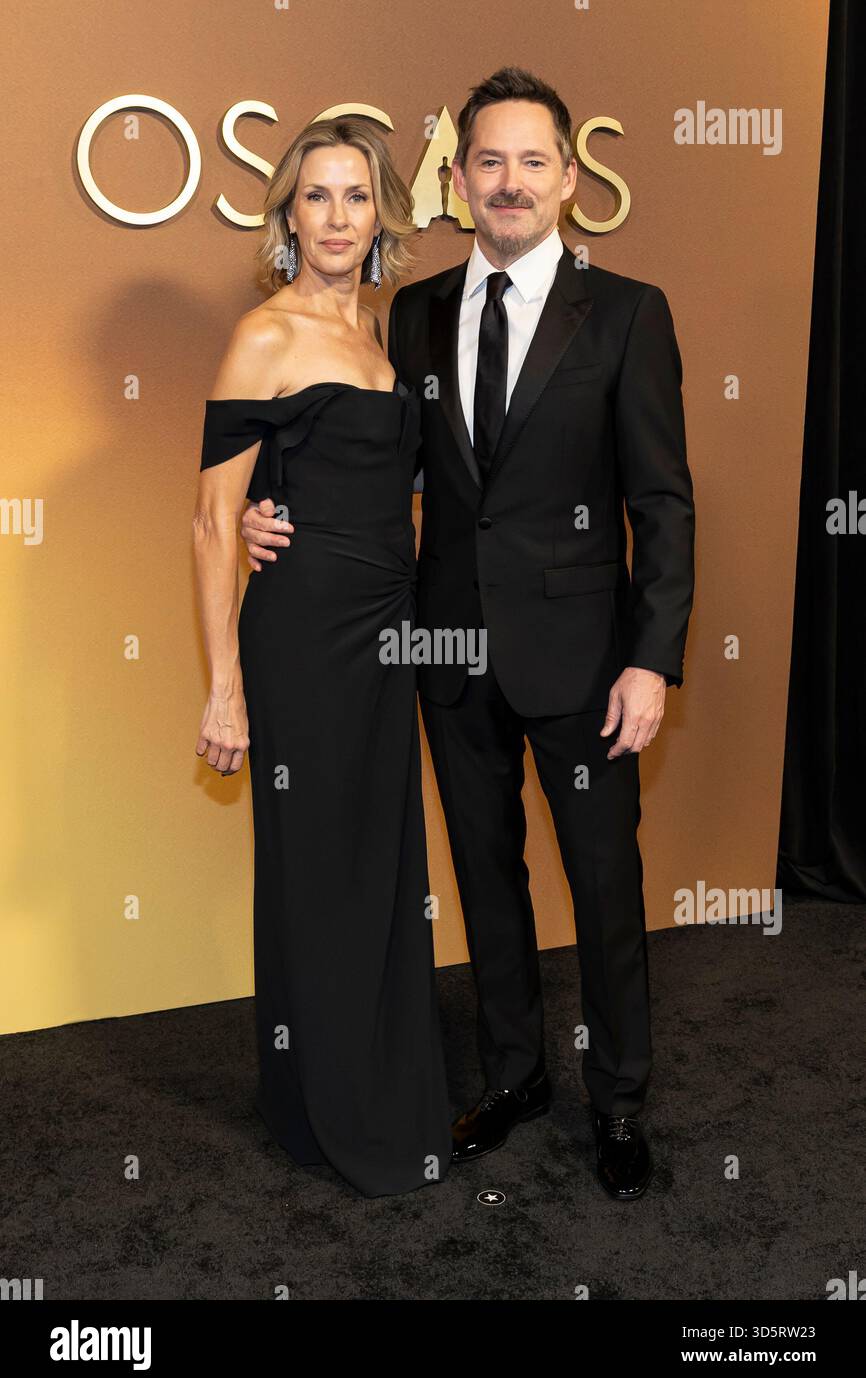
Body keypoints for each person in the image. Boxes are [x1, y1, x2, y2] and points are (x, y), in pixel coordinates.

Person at [240, 69, 696, 1201]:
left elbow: (662, 504)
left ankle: (619, 1102)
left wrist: (650, 658)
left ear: (568, 179)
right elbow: (375, 466)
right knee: (486, 884)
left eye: (530, 161)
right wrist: (270, 505)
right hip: (446, 654)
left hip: (586, 664)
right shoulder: (418, 311)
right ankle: (512, 1076)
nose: (507, 182)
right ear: (458, 178)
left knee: (602, 891)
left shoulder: (627, 310)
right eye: (485, 161)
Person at [192, 116, 452, 1199]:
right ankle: (325, 1103)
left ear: (380, 213)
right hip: (301, 633)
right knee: (316, 863)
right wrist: (224, 688)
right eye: (317, 197)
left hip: (386, 633)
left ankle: (361, 1085)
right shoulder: (265, 333)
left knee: (378, 858)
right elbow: (213, 522)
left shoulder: (384, 341)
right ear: (287, 214)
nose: (337, 217)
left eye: (356, 196)